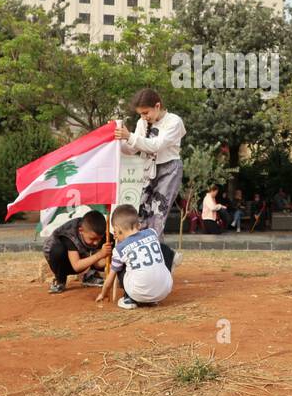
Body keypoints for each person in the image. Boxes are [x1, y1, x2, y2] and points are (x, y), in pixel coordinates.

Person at [115, 88, 185, 270]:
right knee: (142, 218)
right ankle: (166, 256)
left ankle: (161, 266)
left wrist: (129, 136)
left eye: (146, 112)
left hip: (169, 170)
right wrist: (116, 139)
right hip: (149, 171)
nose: (144, 117)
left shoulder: (174, 122)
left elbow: (156, 145)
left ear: (157, 106)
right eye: (141, 114)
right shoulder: (141, 123)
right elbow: (132, 148)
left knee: (157, 219)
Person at [97, 204, 174, 310]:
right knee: (163, 250)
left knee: (120, 264)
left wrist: (103, 294)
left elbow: (110, 280)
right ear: (138, 224)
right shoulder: (152, 233)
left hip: (138, 293)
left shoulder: (119, 249)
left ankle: (129, 299)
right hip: (164, 291)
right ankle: (152, 298)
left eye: (115, 232)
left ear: (117, 230)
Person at [42, 209, 111, 294]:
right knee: (57, 250)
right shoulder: (69, 235)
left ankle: (90, 275)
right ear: (81, 231)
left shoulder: (100, 233)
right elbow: (76, 266)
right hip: (64, 261)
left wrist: (110, 257)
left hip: (84, 257)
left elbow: (99, 263)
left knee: (111, 247)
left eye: (99, 238)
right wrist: (100, 254)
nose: (96, 242)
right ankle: (60, 281)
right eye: (92, 239)